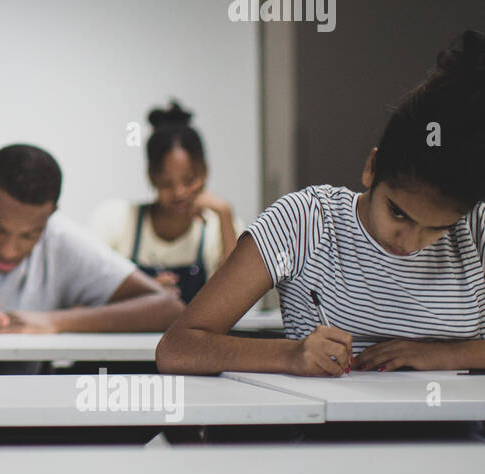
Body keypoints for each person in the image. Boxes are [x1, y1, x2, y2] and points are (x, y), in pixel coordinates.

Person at [157, 30, 485, 376]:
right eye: (398, 213)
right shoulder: (304, 221)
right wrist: (289, 355)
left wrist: (442, 355)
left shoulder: (475, 226)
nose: (409, 241)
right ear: (372, 167)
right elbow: (177, 349)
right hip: (328, 413)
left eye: (437, 229)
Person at [0, 144, 184, 337]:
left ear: (51, 214)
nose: (9, 250)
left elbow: (168, 307)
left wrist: (55, 321)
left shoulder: (61, 238)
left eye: (30, 235)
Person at [89, 102, 242, 303]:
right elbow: (86, 290)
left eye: (189, 180)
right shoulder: (117, 220)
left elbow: (236, 297)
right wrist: (140, 292)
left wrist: (224, 213)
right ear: (151, 177)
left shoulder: (220, 227)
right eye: (167, 183)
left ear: (205, 172)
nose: (179, 193)